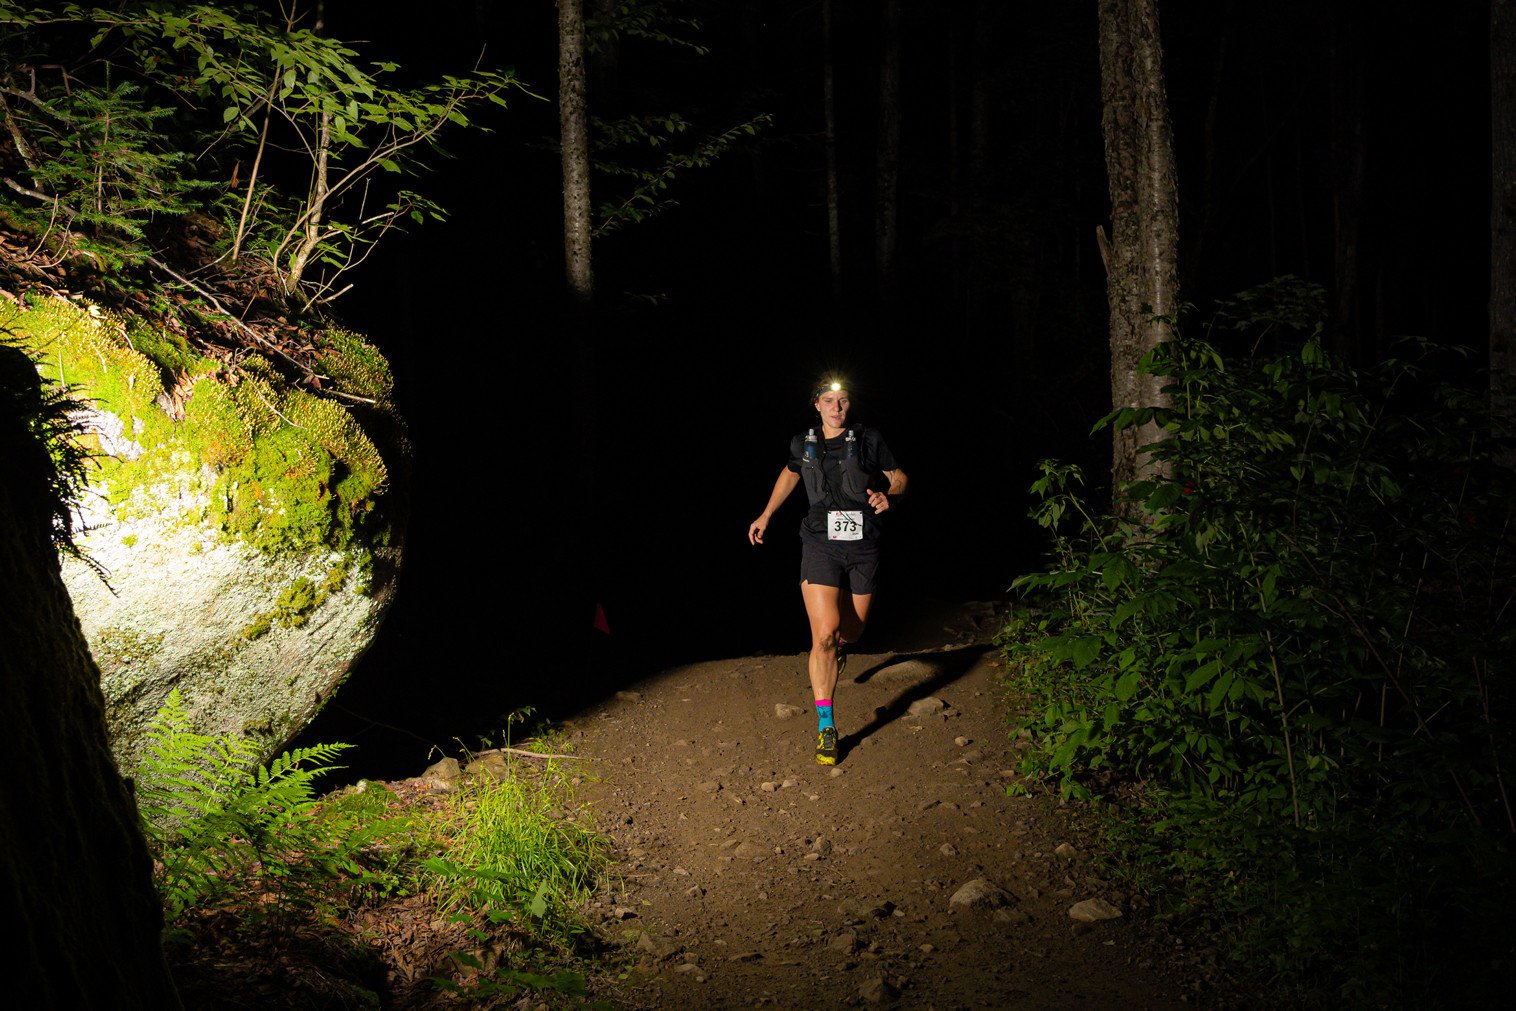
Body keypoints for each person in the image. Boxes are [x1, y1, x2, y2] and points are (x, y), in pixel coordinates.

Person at [748, 378, 908, 765]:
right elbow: (791, 473)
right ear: (816, 405)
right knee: (823, 634)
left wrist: (889, 495)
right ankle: (826, 726)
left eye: (843, 400)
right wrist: (766, 514)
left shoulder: (868, 439)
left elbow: (899, 477)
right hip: (819, 542)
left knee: (851, 632)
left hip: (863, 544)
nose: (837, 407)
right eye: (829, 400)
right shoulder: (803, 442)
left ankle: (842, 647)